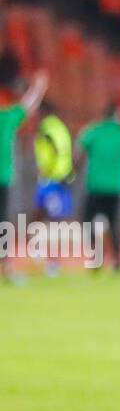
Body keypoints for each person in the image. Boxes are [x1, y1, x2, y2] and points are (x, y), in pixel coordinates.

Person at [76, 101, 120, 273]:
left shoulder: (93, 131)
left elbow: (81, 154)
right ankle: (118, 260)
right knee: (114, 224)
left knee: (88, 222)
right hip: (116, 186)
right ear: (119, 114)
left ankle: (97, 258)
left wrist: (71, 172)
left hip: (95, 185)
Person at [0, 70, 48, 281]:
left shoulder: (7, 117)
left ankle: (6, 266)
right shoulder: (7, 118)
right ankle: (6, 267)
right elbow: (28, 106)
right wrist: (39, 88)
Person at [32, 99, 74, 275]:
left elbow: (56, 150)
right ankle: (37, 250)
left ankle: (52, 261)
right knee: (40, 215)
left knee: (54, 222)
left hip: (53, 180)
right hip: (60, 178)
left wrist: (47, 169)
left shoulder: (46, 128)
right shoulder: (60, 126)